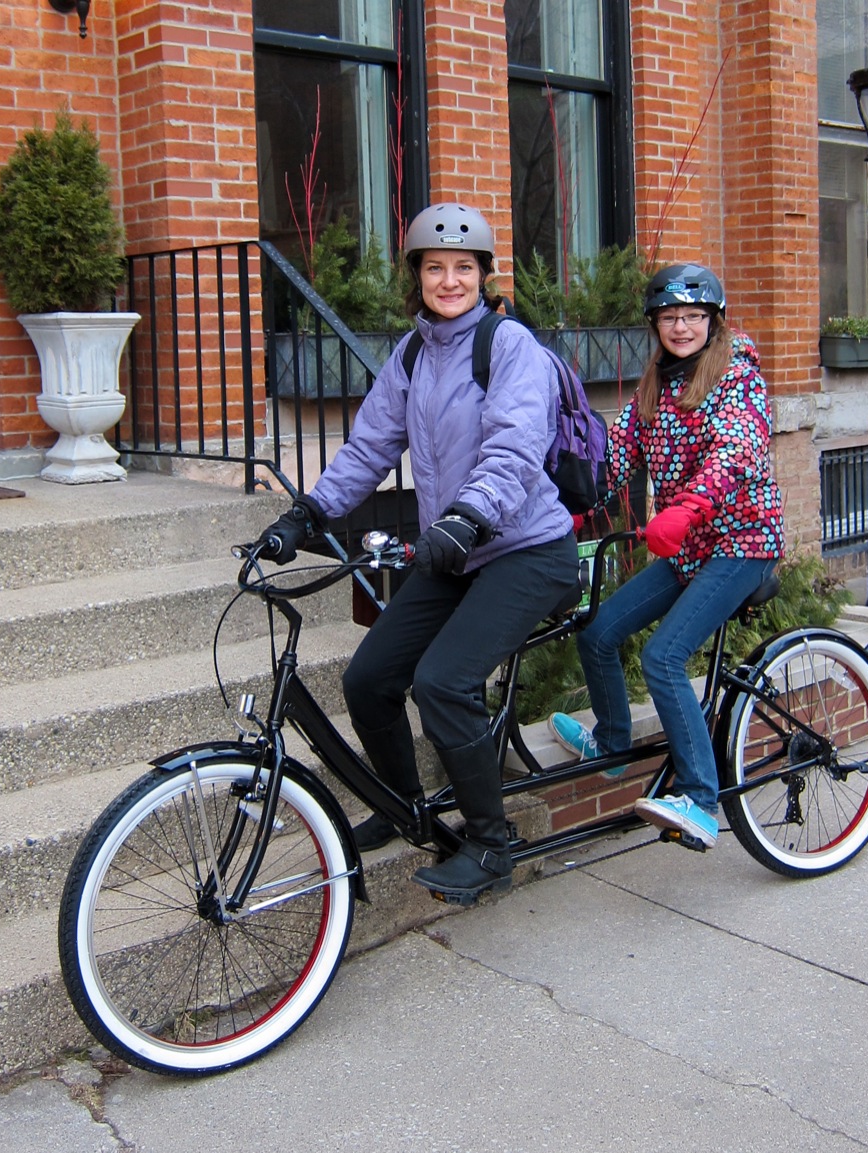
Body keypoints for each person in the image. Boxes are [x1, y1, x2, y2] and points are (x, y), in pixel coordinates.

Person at [258, 203, 578, 904]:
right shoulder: (412, 354)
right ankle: (405, 805)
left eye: (464, 267)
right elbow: (369, 446)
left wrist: (468, 516)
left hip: (527, 550)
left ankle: (492, 844)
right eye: (435, 267)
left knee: (441, 682)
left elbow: (515, 444)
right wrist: (305, 514)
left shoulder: (510, 346)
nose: (449, 279)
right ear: (418, 277)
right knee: (368, 678)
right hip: (456, 555)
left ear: (484, 275)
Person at [548, 263, 784, 849]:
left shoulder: (738, 374)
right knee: (597, 631)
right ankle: (612, 745)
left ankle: (703, 801)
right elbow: (619, 454)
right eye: (670, 317)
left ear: (713, 320)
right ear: (656, 323)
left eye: (693, 316)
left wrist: (688, 507)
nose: (681, 326)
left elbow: (738, 447)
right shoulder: (657, 383)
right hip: (688, 548)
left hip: (740, 543)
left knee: (663, 656)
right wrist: (572, 509)